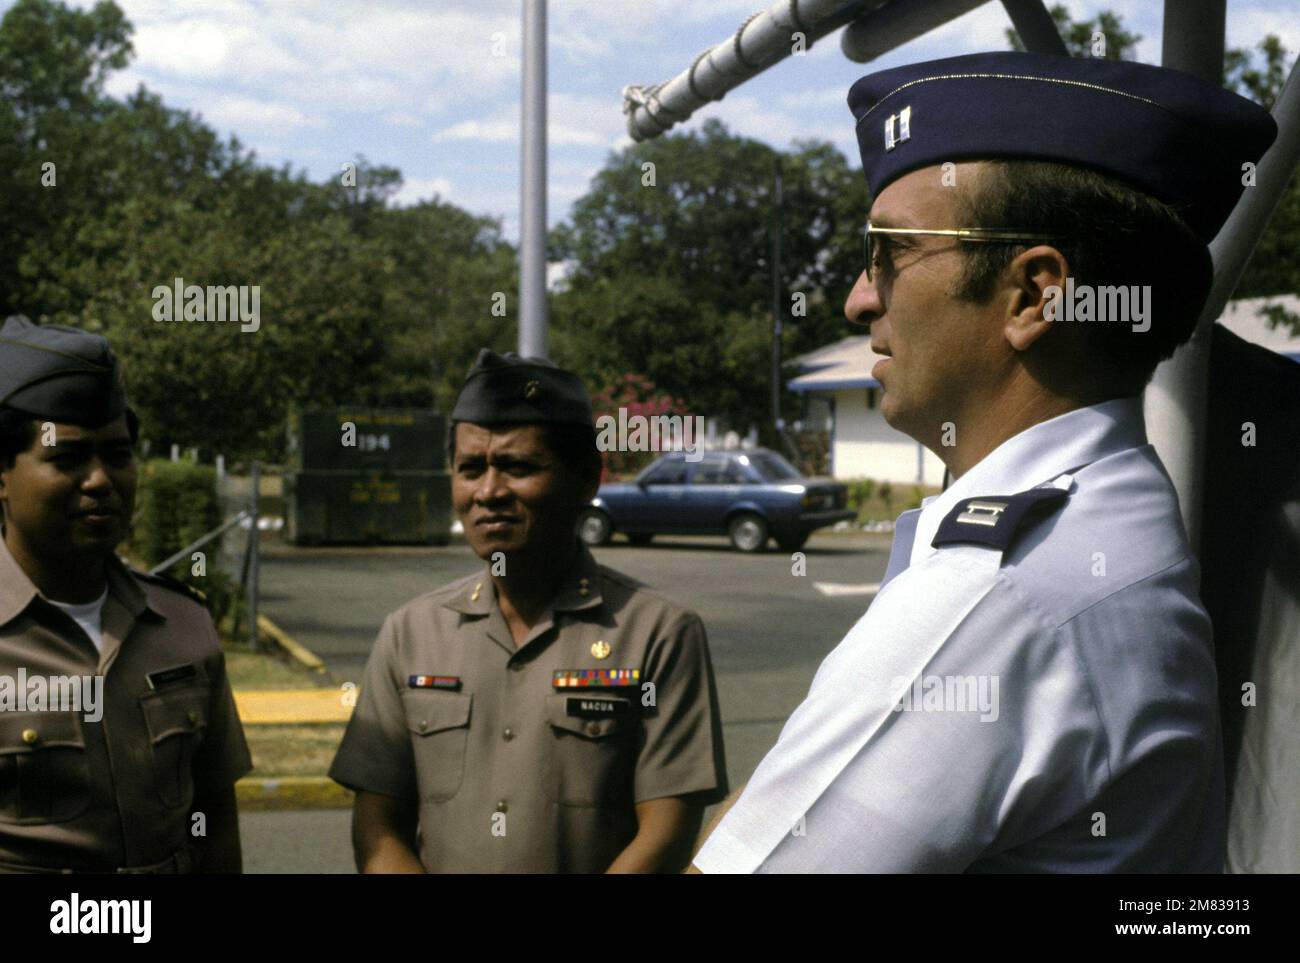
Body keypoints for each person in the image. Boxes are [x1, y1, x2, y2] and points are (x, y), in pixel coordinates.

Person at [691, 51, 1277, 873]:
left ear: (1036, 294)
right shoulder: (1114, 514)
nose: (861, 297)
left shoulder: (997, 591)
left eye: (890, 251)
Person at [330, 349, 727, 873]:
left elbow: (668, 829)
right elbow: (379, 828)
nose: (489, 492)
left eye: (518, 467)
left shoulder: (658, 633)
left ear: (585, 479)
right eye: (471, 469)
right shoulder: (411, 633)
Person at [0, 315, 252, 873]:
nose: (100, 480)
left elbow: (212, 817)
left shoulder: (184, 625)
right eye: (66, 459)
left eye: (117, 455)